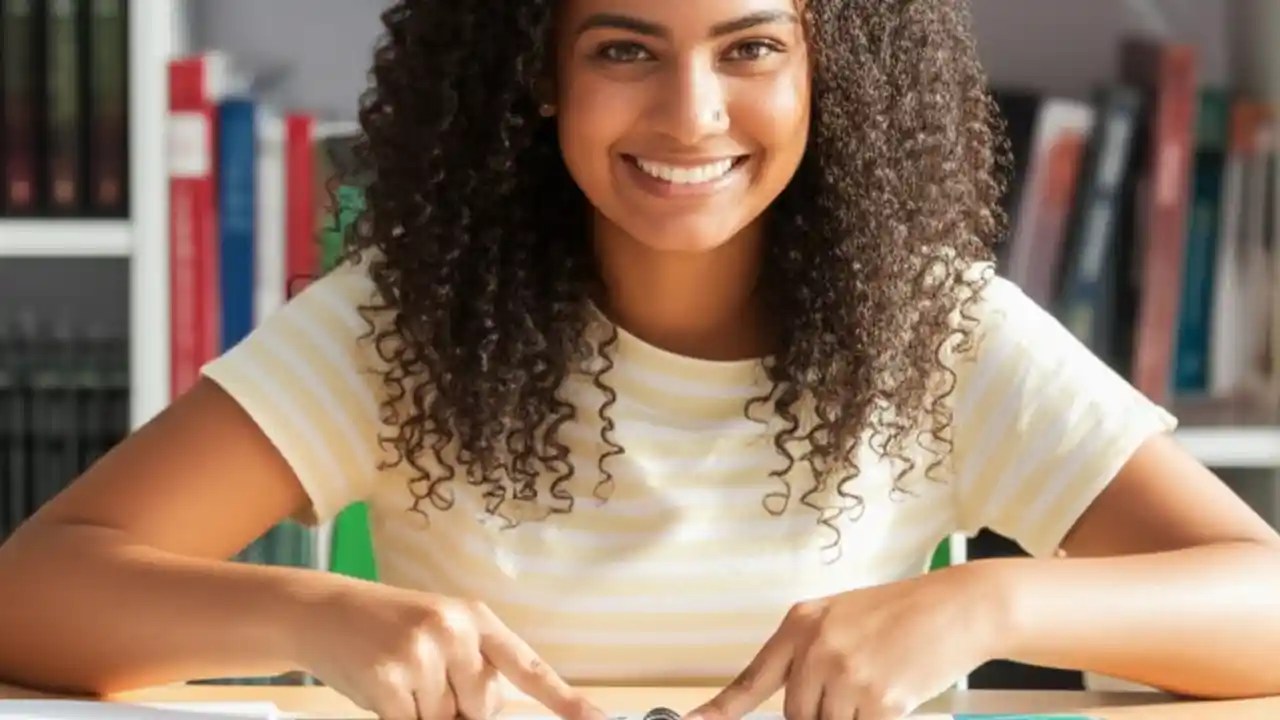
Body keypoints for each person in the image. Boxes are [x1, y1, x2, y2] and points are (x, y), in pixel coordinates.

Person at [2, 1, 1280, 719]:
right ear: (538, 76)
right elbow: (36, 590)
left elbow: (1260, 604)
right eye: (623, 48)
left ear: (831, 74)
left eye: (750, 47)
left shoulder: (937, 329)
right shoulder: (401, 322)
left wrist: (983, 603)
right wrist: (314, 616)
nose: (689, 115)